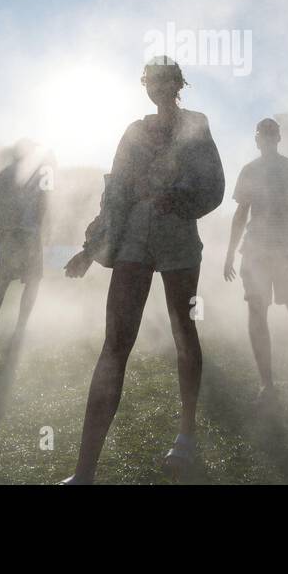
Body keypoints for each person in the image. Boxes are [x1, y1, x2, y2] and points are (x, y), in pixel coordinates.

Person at [61, 57, 224, 484]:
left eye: (164, 80)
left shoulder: (197, 123)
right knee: (115, 343)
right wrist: (89, 248)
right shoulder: (134, 131)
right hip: (134, 236)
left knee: (183, 330)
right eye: (150, 80)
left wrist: (181, 200)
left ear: (178, 84)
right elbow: (115, 192)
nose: (156, 87)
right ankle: (84, 474)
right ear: (145, 87)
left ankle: (186, 436)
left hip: (178, 237)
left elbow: (213, 183)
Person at [225, 118, 288, 401]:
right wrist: (229, 253)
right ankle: (267, 383)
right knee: (256, 311)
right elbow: (241, 213)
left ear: (277, 138)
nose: (266, 140)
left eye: (270, 135)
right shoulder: (249, 171)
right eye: (262, 136)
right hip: (257, 250)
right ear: (257, 140)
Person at [0, 140, 53, 341]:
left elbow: (44, 204)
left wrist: (4, 228)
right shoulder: (26, 174)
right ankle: (16, 328)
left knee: (8, 281)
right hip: (22, 235)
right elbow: (44, 204)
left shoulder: (6, 175)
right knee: (29, 281)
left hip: (18, 235)